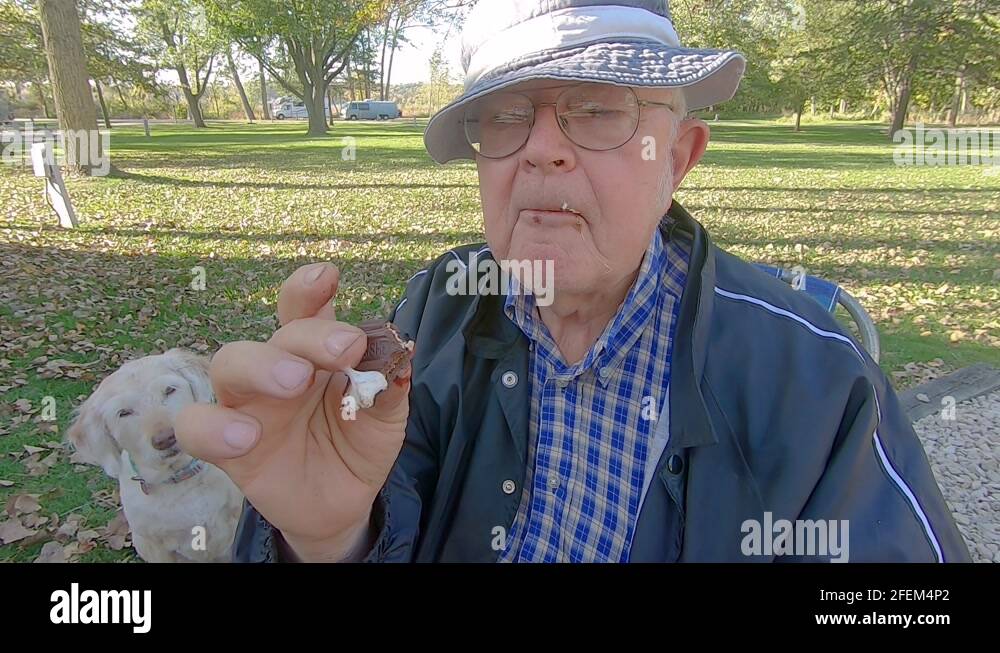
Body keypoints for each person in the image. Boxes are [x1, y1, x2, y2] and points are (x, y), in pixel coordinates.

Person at [176, 0, 970, 563]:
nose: (541, 149)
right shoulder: (438, 310)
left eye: (596, 110)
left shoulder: (816, 380)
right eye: (506, 116)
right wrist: (328, 543)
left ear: (680, 160)